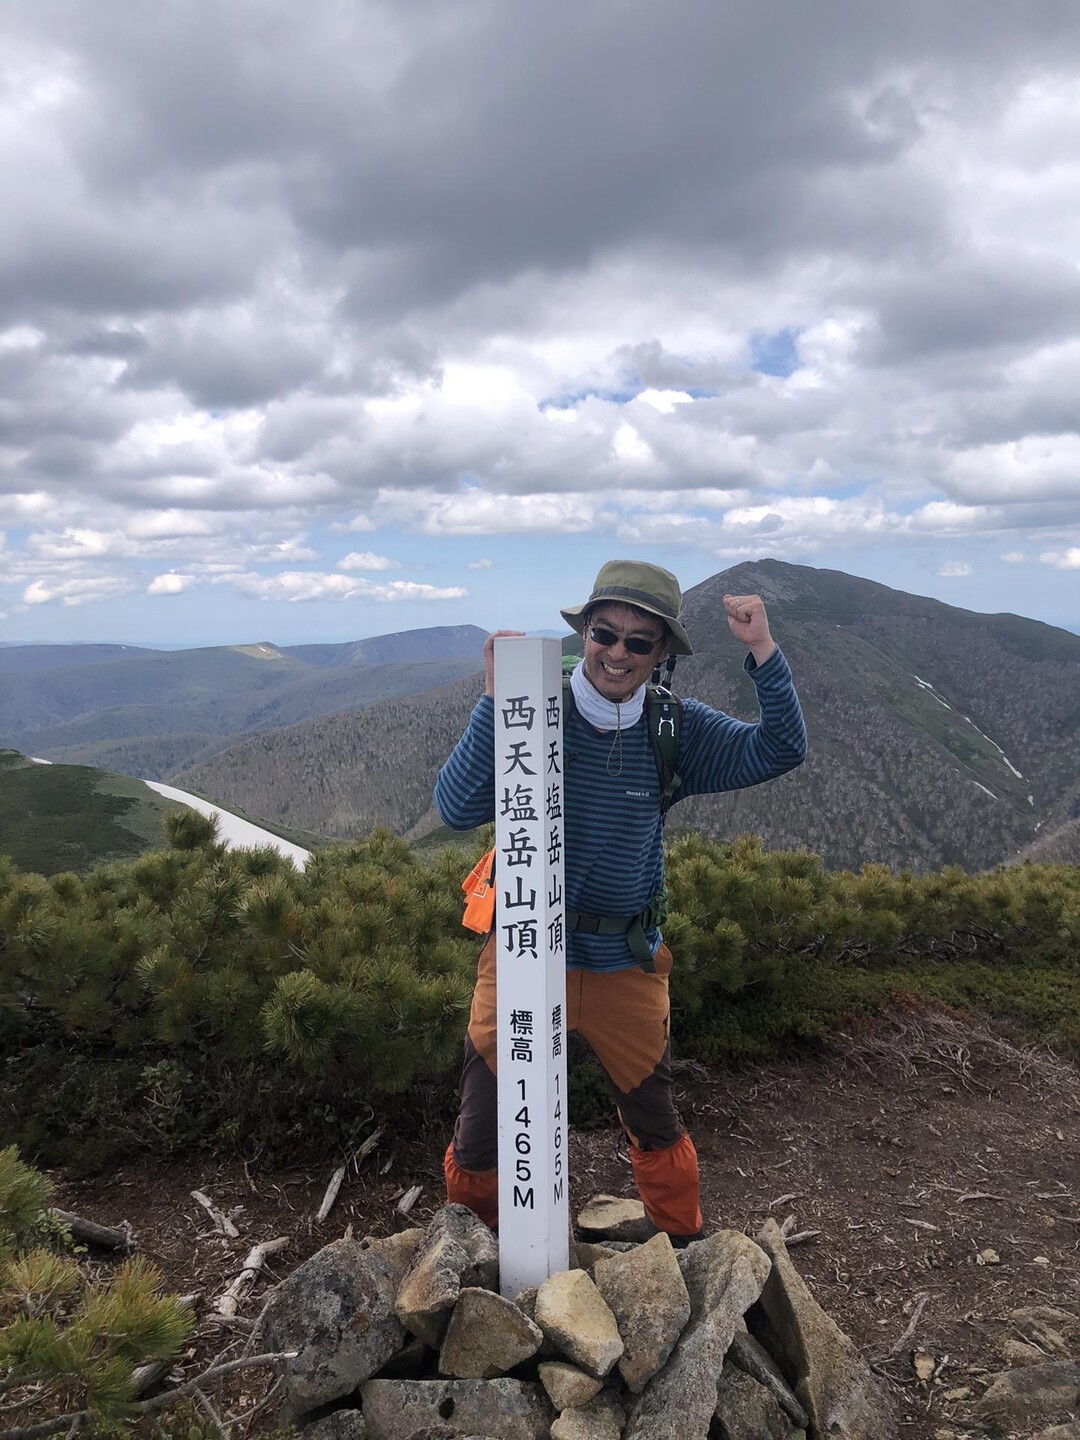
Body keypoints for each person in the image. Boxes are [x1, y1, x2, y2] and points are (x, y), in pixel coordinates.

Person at [433, 560, 807, 1243]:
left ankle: (686, 1254)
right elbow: (456, 806)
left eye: (640, 641)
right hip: (520, 952)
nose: (618, 652)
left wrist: (762, 649)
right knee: (483, 1129)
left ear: (662, 652)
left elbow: (780, 748)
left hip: (624, 962)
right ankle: (473, 1257)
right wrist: (497, 699)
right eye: (606, 633)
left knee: (655, 1121)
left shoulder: (674, 729)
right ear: (587, 632)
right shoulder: (535, 707)